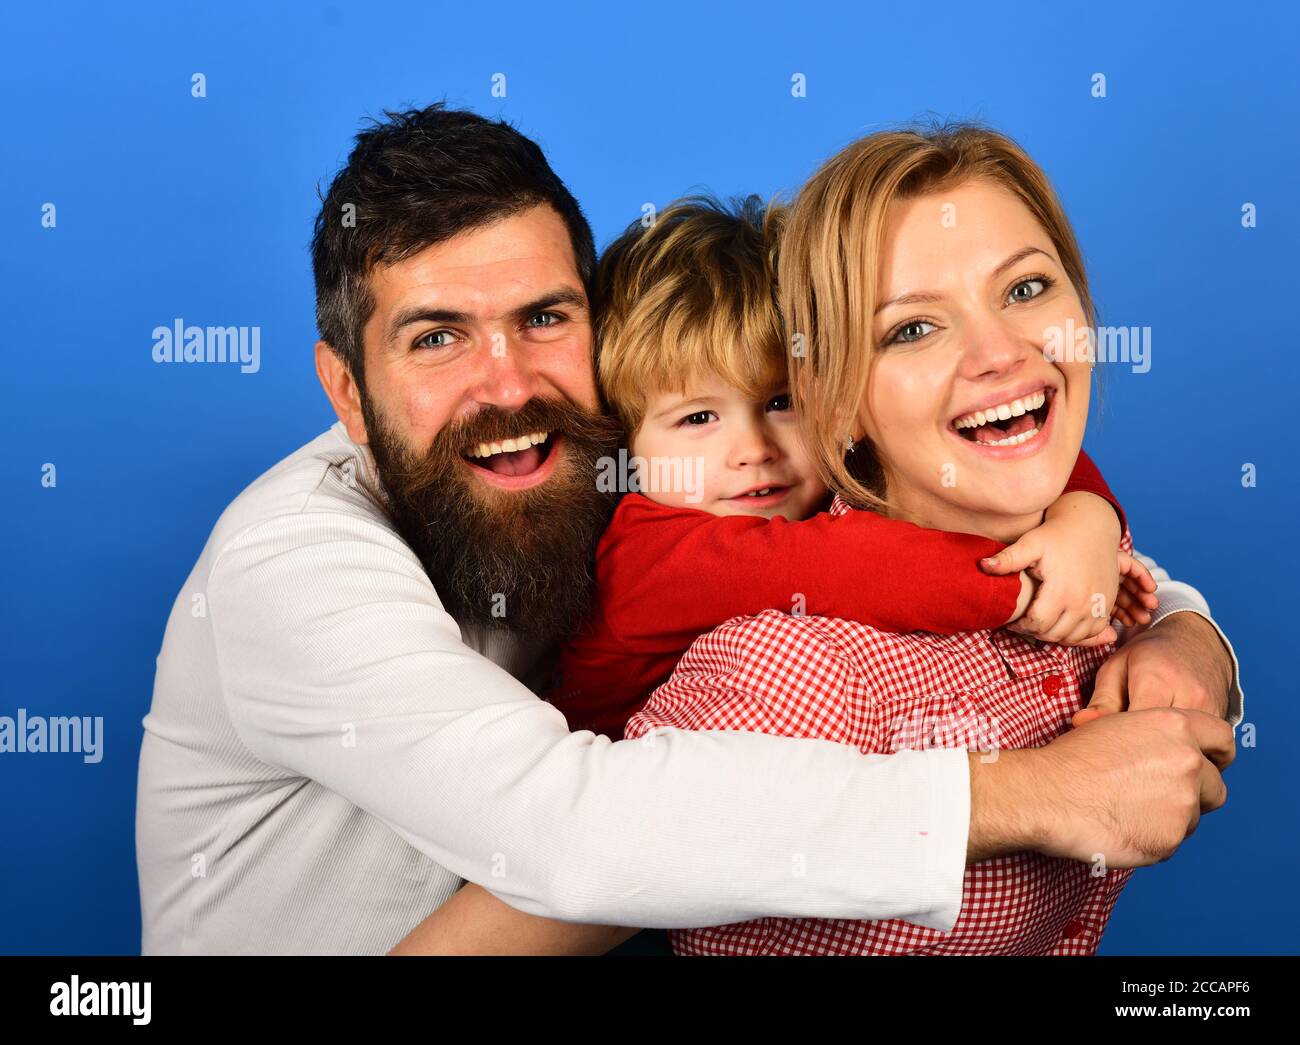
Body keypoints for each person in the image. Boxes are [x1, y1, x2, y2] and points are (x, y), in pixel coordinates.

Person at [136, 105, 1239, 955]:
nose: (506, 382)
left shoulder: (613, 458)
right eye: (436, 338)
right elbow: (573, 834)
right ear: (344, 387)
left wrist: (1164, 613)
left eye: (544, 319)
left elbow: (950, 489)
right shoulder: (289, 563)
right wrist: (1036, 788)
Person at [547, 193, 1156, 744]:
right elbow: (851, 565)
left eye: (782, 404)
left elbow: (1022, 447)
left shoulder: (832, 466)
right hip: (627, 824)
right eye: (698, 419)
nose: (753, 449)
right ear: (624, 447)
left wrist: (1087, 517)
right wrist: (1033, 589)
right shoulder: (650, 557)